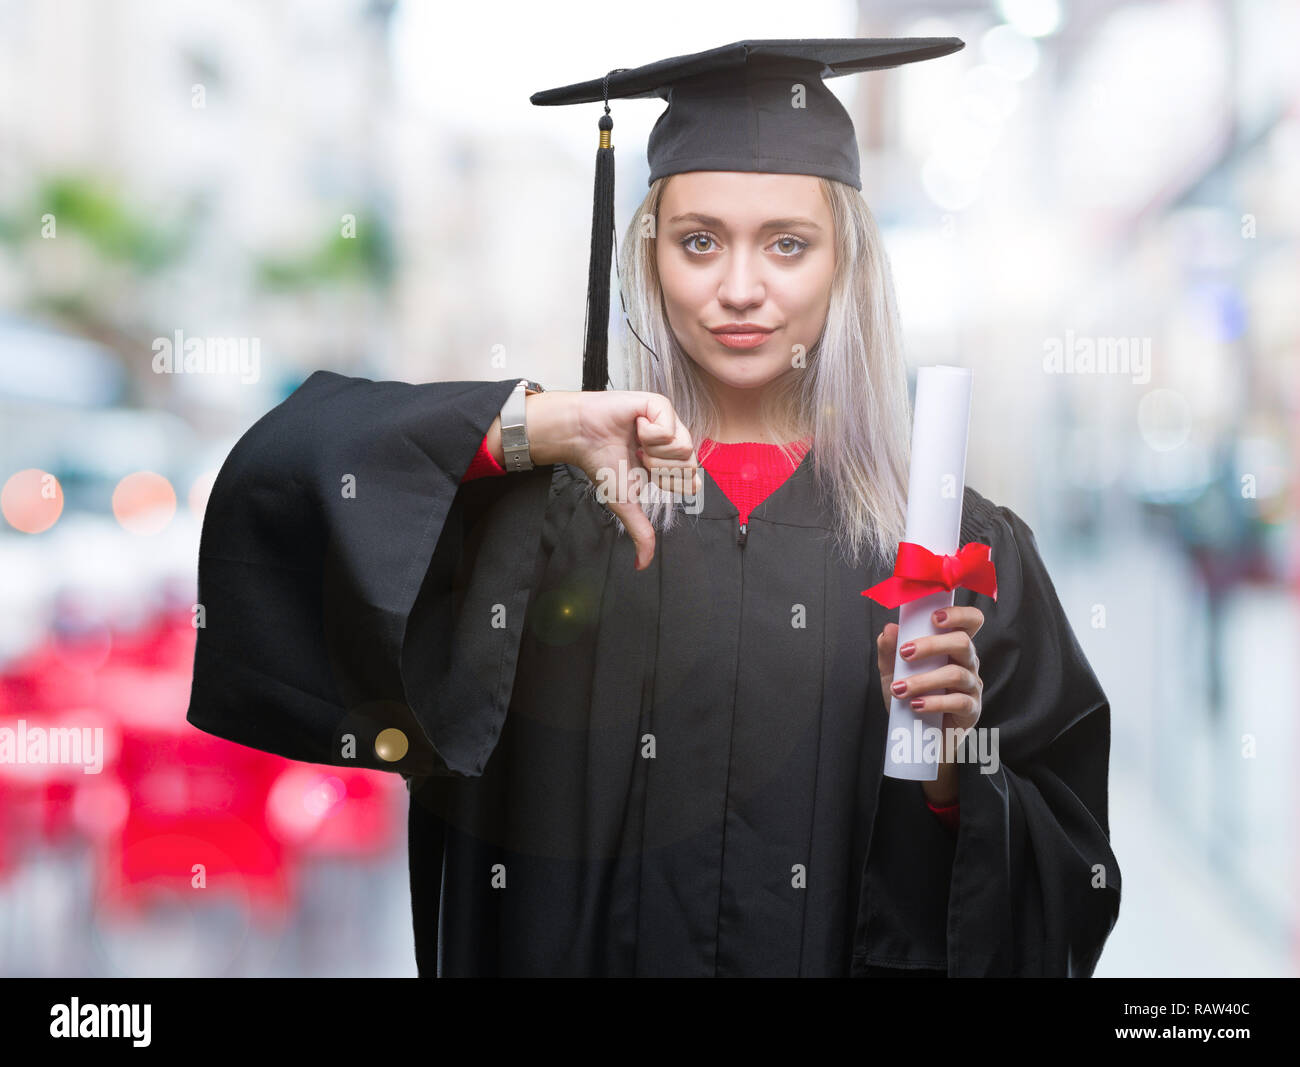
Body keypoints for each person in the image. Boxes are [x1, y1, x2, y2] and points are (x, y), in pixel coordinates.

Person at [185, 38, 1121, 976]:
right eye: (699, 240)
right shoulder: (546, 522)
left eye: (788, 244)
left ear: (848, 265)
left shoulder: (950, 551)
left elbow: (1075, 879)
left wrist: (956, 774)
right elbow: (278, 486)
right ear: (649, 255)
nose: (741, 288)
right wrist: (538, 426)